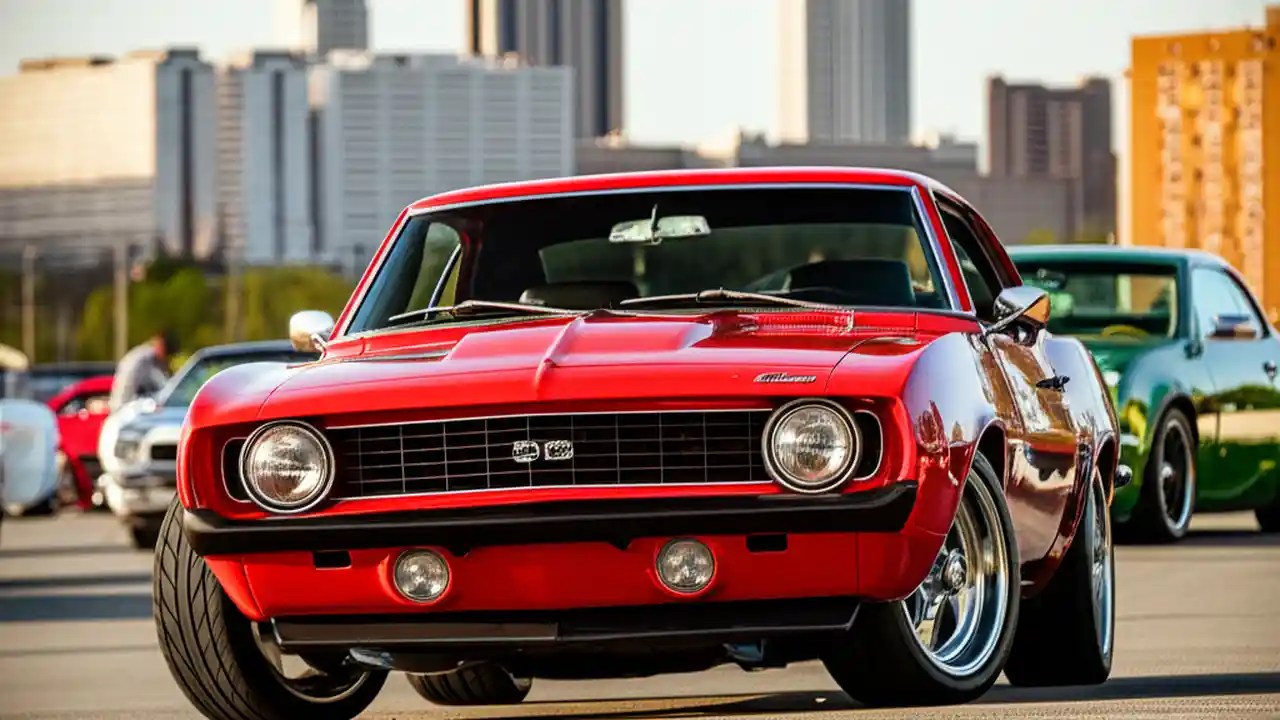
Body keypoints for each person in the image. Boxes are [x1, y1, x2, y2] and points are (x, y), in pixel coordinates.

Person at [108, 331, 177, 411]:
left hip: (118, 404)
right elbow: (162, 384)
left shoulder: (139, 353)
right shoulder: (147, 359)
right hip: (126, 408)